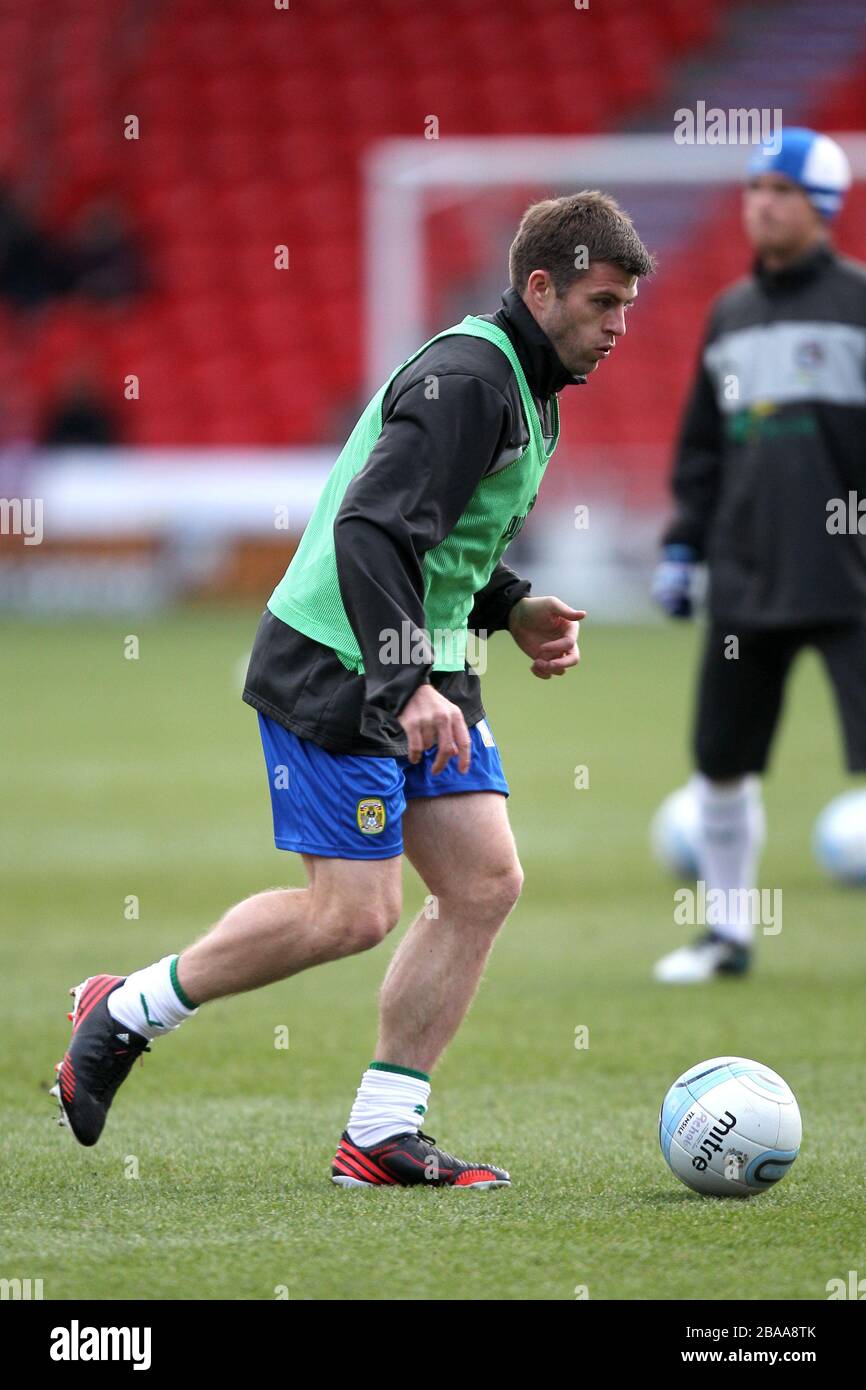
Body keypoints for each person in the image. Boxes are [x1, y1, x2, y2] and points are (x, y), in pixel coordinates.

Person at [52, 191, 654, 1185]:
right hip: (344, 659)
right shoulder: (470, 379)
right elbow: (369, 528)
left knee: (481, 882)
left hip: (427, 657)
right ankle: (123, 1010)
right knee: (351, 912)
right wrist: (405, 679)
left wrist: (510, 607)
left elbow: (442, 534)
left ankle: (380, 1133)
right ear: (537, 287)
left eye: (625, 307)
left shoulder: (529, 383)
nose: (617, 328)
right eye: (600, 303)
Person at [651, 127, 864, 984]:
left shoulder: (860, 304)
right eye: (752, 188)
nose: (760, 204)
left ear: (820, 206)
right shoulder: (729, 315)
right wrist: (682, 546)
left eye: (778, 190)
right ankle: (728, 938)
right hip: (748, 579)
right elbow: (704, 449)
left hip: (853, 580)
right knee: (721, 762)